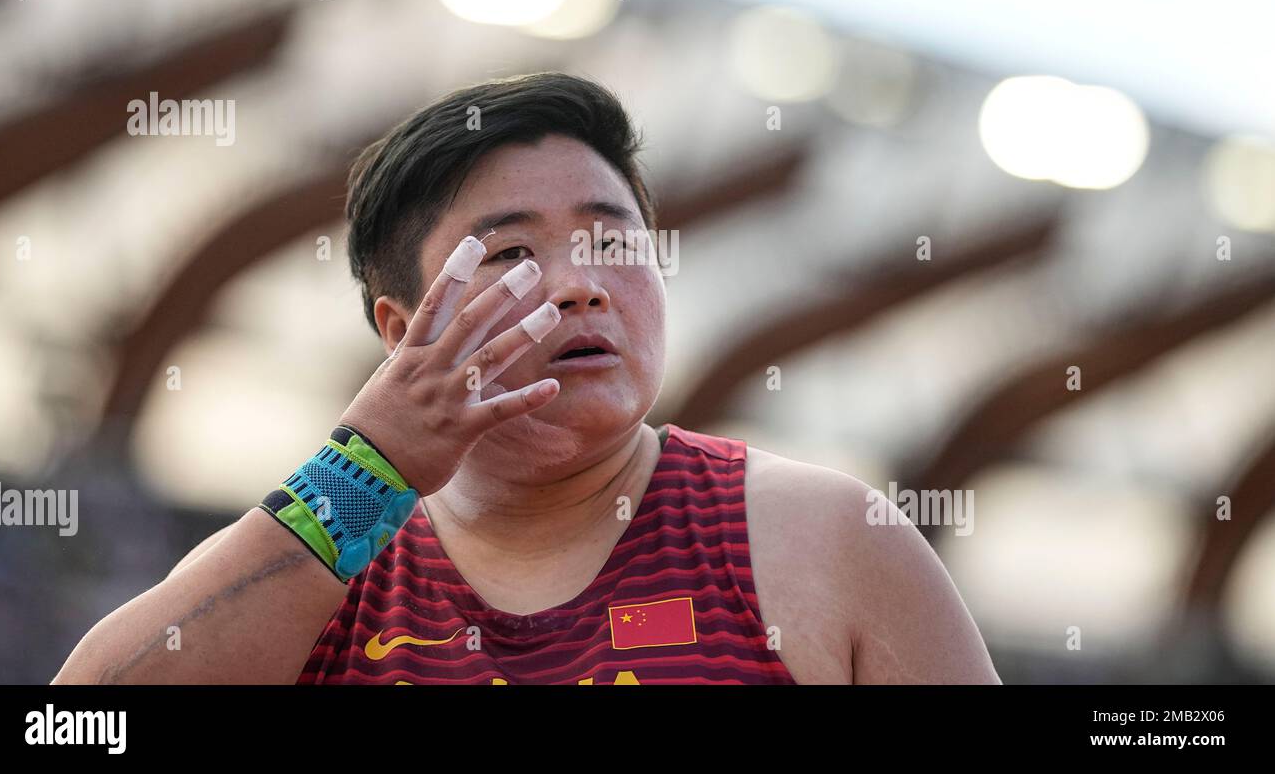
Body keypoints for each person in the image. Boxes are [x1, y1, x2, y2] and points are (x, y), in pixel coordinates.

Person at [54, 72, 999, 685]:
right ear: (401, 329)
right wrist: (364, 473)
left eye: (612, 238)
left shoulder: (824, 540)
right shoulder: (321, 576)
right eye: (507, 253)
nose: (580, 284)